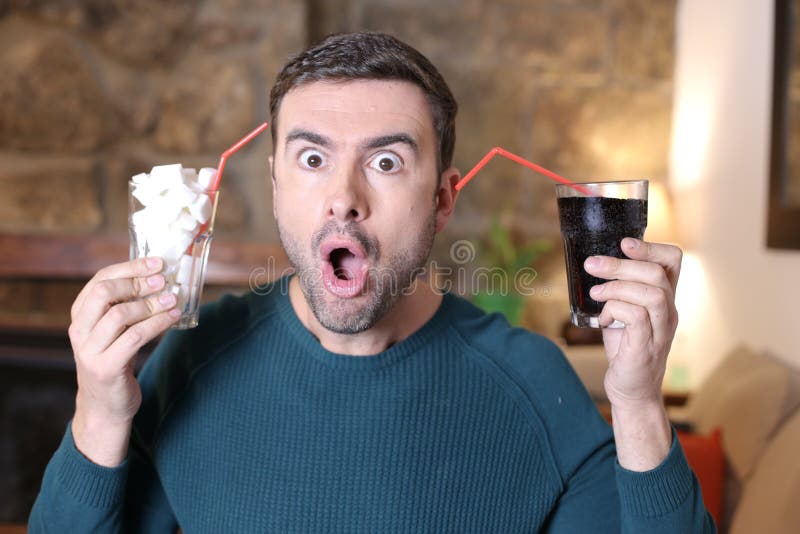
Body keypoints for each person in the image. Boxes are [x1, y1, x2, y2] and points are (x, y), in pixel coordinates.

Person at [29, 32, 715, 533]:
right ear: (275, 186)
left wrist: (638, 405)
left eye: (386, 162)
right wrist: (99, 410)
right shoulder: (192, 361)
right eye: (312, 159)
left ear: (443, 199)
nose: (343, 199)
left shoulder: (535, 386)